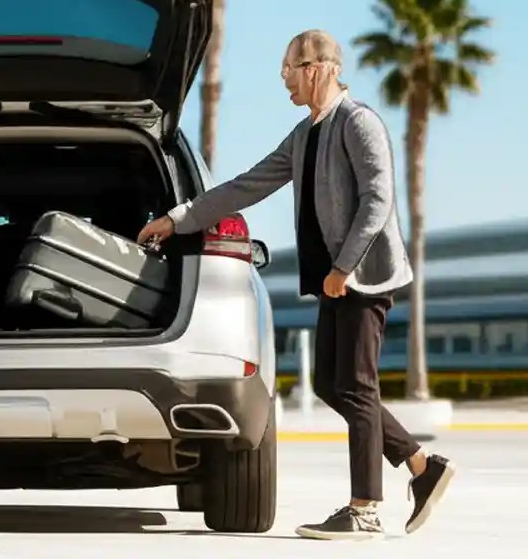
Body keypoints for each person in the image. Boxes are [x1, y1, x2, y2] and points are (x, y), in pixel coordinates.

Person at [137, 29, 456, 540]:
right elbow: (248, 184)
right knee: (332, 384)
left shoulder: (359, 122)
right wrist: (178, 219)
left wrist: (345, 267)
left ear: (320, 67)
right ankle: (421, 466)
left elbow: (378, 200)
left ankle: (365, 509)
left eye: (290, 67)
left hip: (363, 277)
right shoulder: (304, 135)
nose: (284, 77)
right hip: (334, 278)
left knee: (356, 386)